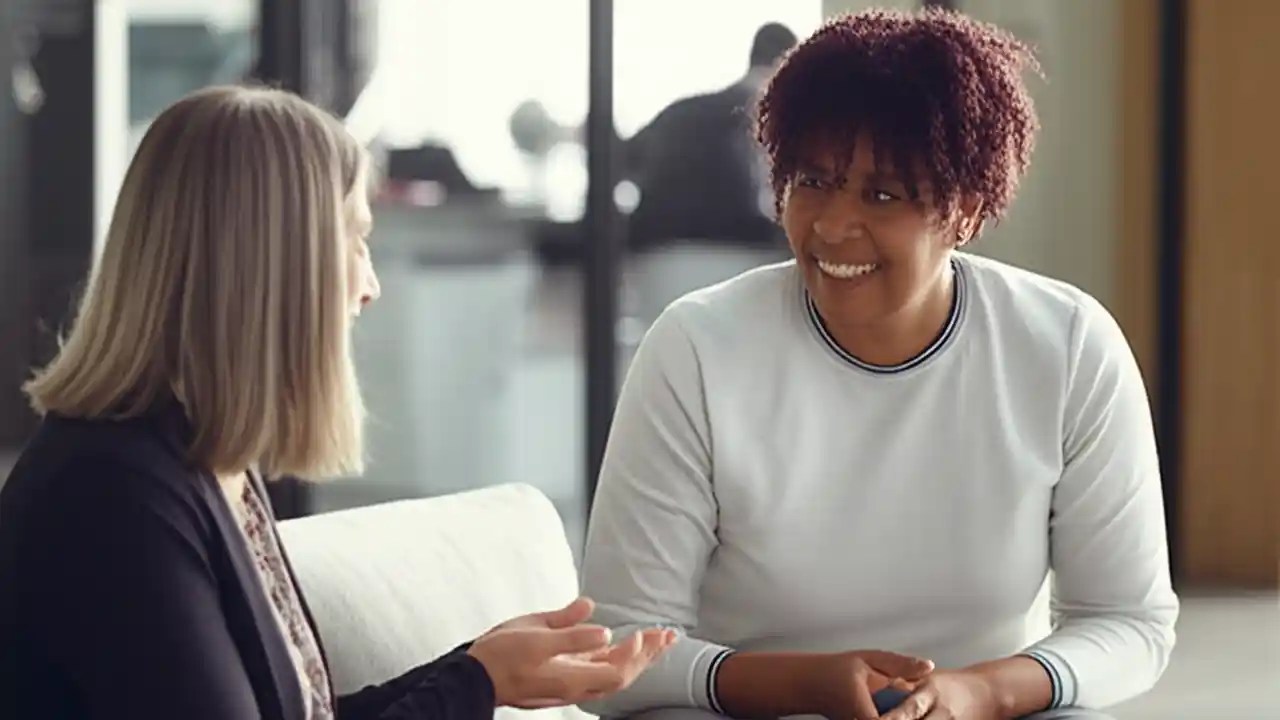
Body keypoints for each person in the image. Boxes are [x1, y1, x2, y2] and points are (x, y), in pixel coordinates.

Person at [0, 85, 674, 720]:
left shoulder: (196, 459)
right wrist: (475, 682)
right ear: (273, 266)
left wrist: (482, 669)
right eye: (354, 238)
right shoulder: (113, 495)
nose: (369, 283)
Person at [581, 9, 1177, 720]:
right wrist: (800, 685)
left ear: (967, 209)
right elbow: (620, 645)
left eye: (883, 194)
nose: (833, 225)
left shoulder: (1068, 346)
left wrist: (980, 691)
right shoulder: (696, 349)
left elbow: (1131, 623)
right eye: (812, 181)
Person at [620, 22, 798, 326]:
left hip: (655, 258)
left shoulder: (679, 112)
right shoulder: (774, 119)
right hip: (737, 256)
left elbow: (619, 162)